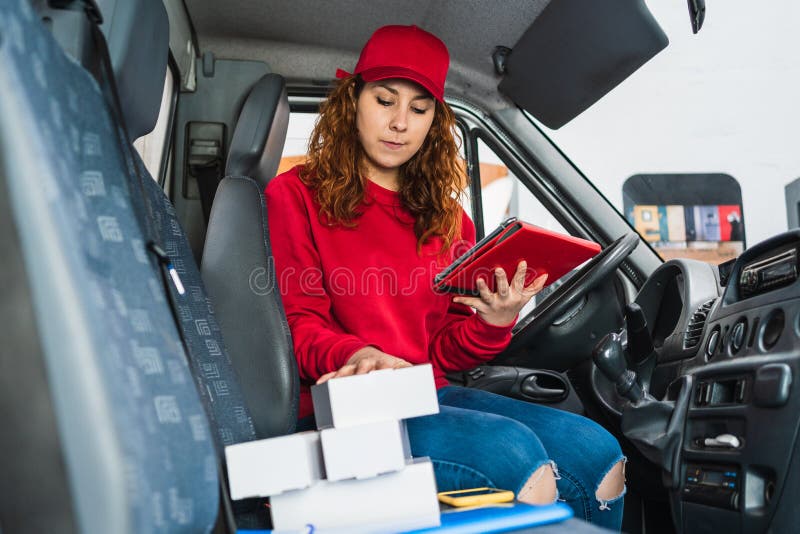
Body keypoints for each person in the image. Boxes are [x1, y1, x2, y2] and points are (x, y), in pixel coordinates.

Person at [265, 24, 626, 530]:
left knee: (598, 452)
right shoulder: (295, 194)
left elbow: (446, 352)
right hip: (346, 406)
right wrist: (359, 355)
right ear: (354, 101)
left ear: (435, 121)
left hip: (430, 393)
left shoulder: (450, 220)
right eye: (384, 100)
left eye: (419, 109)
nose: (398, 123)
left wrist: (495, 321)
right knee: (514, 457)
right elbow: (297, 323)